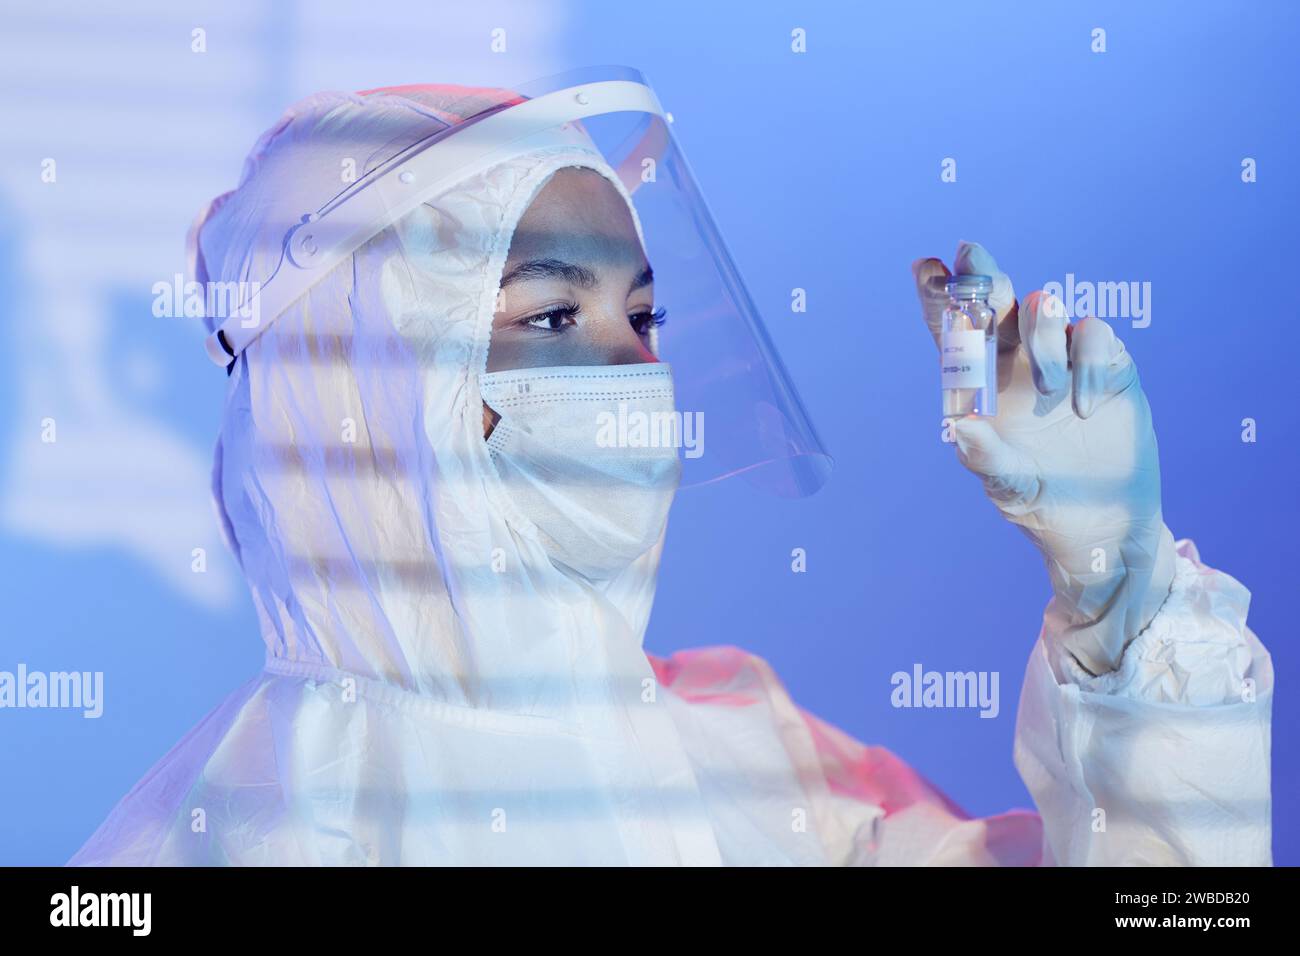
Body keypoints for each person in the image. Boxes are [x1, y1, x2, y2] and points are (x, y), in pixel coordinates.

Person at [69, 74, 1272, 866]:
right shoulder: (227, 842)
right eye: (551, 316)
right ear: (366, 391)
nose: (631, 372)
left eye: (643, 316)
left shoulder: (756, 757)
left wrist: (1121, 591)